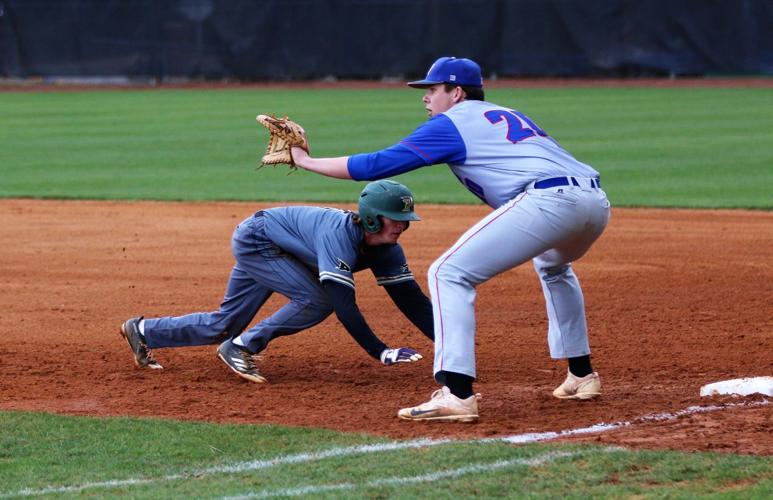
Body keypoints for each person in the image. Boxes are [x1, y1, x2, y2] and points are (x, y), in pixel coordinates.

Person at [289, 56, 611, 422]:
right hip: (594, 201)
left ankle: (457, 394)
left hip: (551, 201)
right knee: (554, 266)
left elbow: (375, 166)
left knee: (448, 272)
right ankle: (582, 375)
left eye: (433, 89)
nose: (426, 98)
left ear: (456, 93)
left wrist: (305, 161)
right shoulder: (503, 114)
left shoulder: (454, 122)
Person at [120, 179, 434, 383]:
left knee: (225, 324)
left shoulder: (388, 250)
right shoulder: (339, 237)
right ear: (372, 218)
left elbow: (411, 300)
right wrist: (380, 351)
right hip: (259, 240)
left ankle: (143, 331)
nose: (402, 226)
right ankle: (241, 347)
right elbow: (343, 304)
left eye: (406, 220)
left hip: (284, 248)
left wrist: (449, 343)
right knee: (319, 300)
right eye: (396, 219)